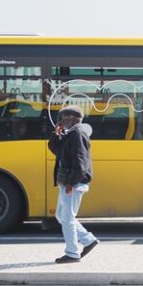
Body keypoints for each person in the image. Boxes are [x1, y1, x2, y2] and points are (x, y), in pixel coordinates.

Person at [48, 105, 99, 264]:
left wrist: (72, 183)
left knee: (68, 218)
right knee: (60, 215)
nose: (61, 122)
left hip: (74, 183)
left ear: (71, 118)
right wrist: (56, 135)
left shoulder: (78, 134)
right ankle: (88, 240)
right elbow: (56, 150)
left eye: (63, 118)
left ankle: (72, 253)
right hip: (67, 181)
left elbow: (81, 162)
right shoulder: (70, 134)